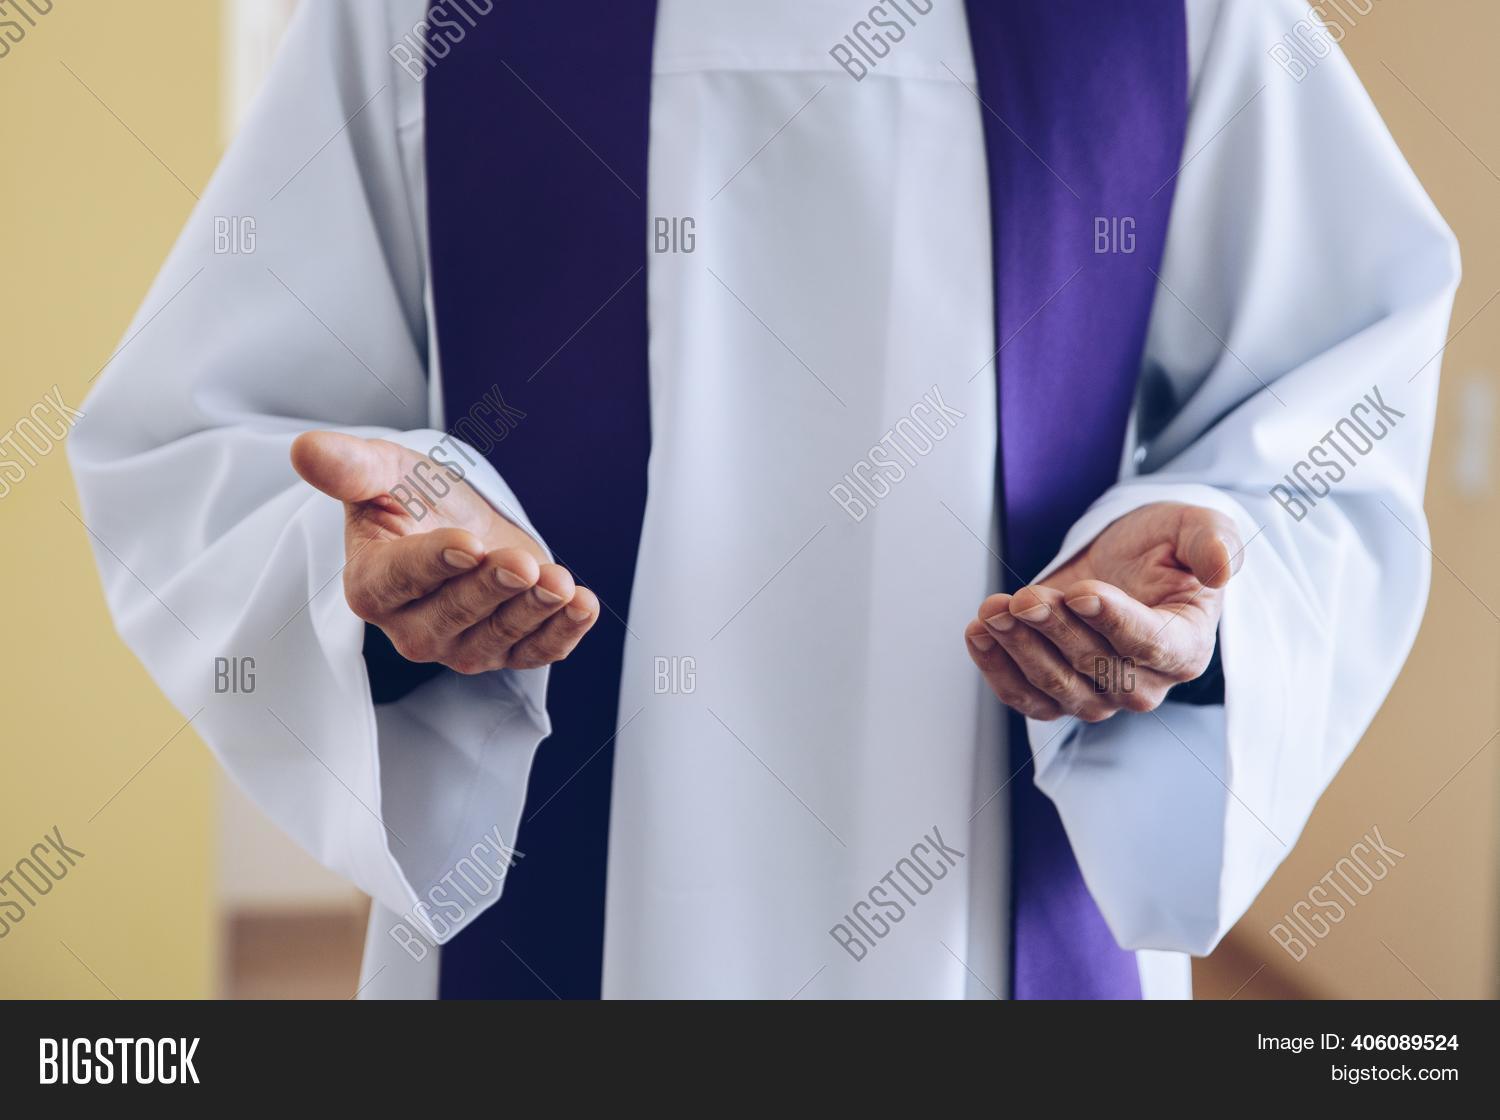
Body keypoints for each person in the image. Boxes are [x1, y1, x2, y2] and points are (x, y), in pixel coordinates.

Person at [70, 0, 1459, 999]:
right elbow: (200, 434)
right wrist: (368, 572)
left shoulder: (1188, 15)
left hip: (999, 914)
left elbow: (1342, 399)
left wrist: (1201, 594)